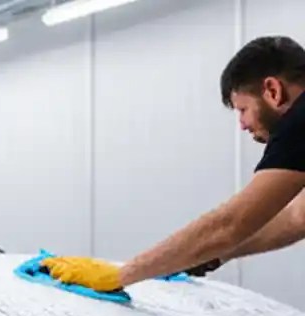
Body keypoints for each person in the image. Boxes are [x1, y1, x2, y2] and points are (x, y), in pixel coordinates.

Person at [42, 36, 305, 291]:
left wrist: (121, 275)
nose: (242, 124)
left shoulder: (300, 121)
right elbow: (297, 217)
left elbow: (230, 223)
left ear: (272, 90)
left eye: (243, 110)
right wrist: (217, 252)